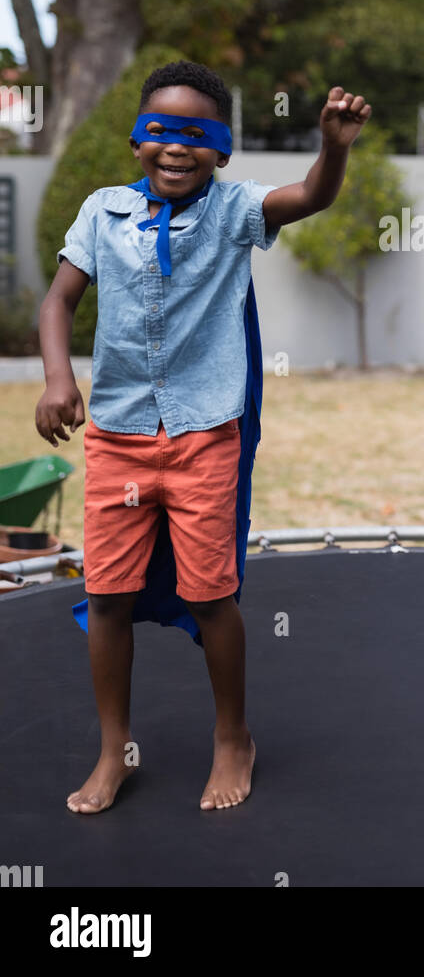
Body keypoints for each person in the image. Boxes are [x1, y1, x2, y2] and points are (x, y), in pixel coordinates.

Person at [35, 60, 371, 813]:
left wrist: (335, 148)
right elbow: (58, 301)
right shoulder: (100, 212)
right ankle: (114, 750)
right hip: (118, 435)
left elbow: (310, 195)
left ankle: (232, 738)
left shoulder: (233, 212)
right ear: (136, 143)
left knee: (211, 594)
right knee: (109, 596)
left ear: (221, 149)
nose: (175, 148)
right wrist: (60, 378)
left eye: (195, 134)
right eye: (160, 132)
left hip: (203, 436)